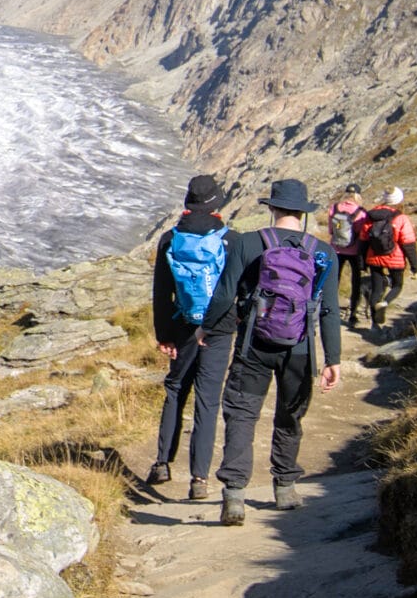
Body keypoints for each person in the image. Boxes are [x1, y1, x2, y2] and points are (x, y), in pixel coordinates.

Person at [212, 178, 344, 526]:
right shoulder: (323, 252)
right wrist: (332, 359)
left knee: (242, 414)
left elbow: (225, 295)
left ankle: (234, 495)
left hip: (253, 344)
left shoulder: (247, 243)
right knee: (290, 415)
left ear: (271, 207)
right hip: (299, 347)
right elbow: (329, 309)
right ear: (303, 213)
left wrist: (205, 329)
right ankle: (285, 488)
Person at [146, 174, 234, 501]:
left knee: (175, 389)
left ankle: (162, 463)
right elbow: (234, 289)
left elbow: (161, 293)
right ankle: (199, 479)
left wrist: (164, 336)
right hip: (218, 329)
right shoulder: (229, 239)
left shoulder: (170, 239)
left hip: (182, 324)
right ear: (216, 202)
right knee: (207, 400)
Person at [358, 187, 417, 331]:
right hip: (395, 257)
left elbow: (363, 240)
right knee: (397, 285)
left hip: (374, 257)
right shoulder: (401, 218)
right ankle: (385, 303)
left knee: (376, 289)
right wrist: (415, 266)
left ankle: (375, 324)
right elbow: (408, 243)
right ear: (399, 200)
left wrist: (362, 263)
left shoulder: (371, 216)